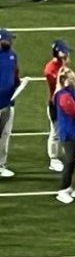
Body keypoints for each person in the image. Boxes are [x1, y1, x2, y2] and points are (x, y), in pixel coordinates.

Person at [52, 68, 75, 203]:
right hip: (69, 133)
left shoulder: (72, 92)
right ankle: (63, 190)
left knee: (74, 160)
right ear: (65, 80)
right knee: (70, 161)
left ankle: (68, 187)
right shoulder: (64, 96)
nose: (74, 80)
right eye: (71, 78)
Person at [0, 28, 26, 177]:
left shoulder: (12, 55)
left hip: (8, 103)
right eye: (8, 39)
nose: (10, 42)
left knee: (5, 135)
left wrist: (19, 83)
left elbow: (15, 74)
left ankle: (1, 166)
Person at [42, 39, 71, 173]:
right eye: (64, 52)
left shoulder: (61, 65)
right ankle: (53, 159)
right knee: (55, 133)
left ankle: (71, 154)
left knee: (69, 130)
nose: (67, 54)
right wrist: (65, 69)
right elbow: (62, 85)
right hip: (56, 104)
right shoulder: (51, 69)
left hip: (66, 102)